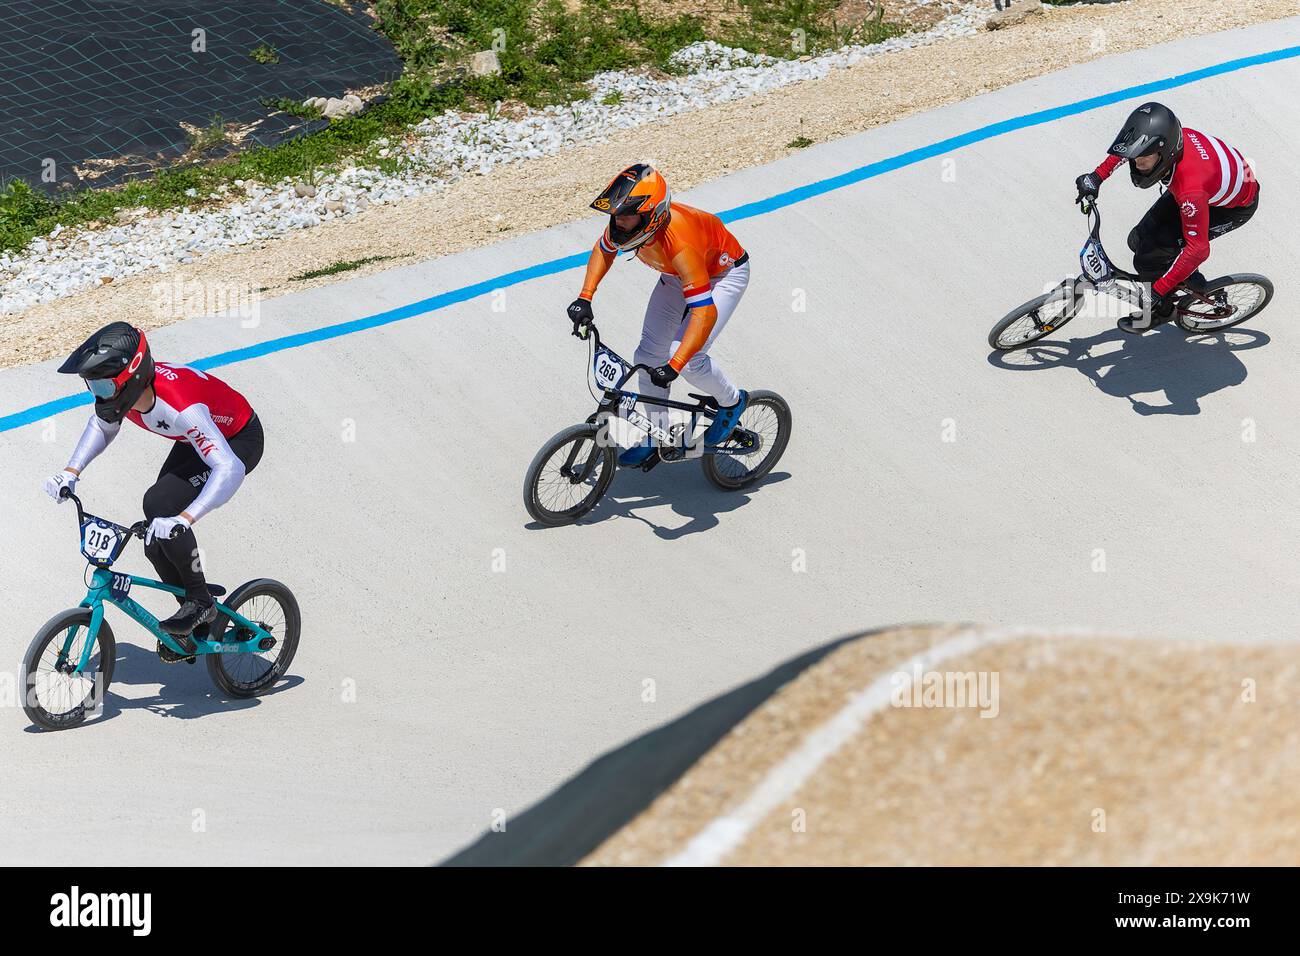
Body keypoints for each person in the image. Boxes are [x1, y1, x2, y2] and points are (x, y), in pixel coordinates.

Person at [44, 322, 263, 656]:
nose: (98, 396)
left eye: (102, 387)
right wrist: (70, 472)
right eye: (93, 387)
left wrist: (186, 518)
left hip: (236, 441)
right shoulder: (128, 394)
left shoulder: (180, 407)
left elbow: (228, 468)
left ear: (129, 377)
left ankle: (201, 602)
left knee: (162, 505)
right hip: (194, 440)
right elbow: (103, 427)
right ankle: (195, 624)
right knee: (154, 541)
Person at [567, 163, 750, 465]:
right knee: (647, 357)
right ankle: (657, 435)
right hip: (675, 275)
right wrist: (584, 298)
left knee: (689, 360)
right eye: (616, 214)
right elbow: (604, 249)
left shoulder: (681, 243)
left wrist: (675, 365)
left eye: (626, 215)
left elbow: (704, 314)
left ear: (651, 216)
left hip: (721, 275)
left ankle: (732, 403)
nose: (619, 221)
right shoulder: (625, 221)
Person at [1075, 102, 1259, 334]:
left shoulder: (1190, 191)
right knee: (1137, 240)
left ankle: (1161, 312)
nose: (1137, 163)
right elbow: (1130, 150)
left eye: (1144, 159)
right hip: (1204, 185)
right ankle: (1186, 277)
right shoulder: (1172, 140)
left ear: (1164, 152)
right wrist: (1097, 176)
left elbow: (1198, 249)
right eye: (1137, 158)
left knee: (1148, 260)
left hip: (1229, 208)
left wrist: (1157, 291)